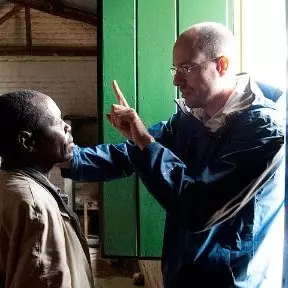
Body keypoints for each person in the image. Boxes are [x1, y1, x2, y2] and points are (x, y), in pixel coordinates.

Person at [61, 22, 285, 287]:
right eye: (175, 69)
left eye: (186, 68)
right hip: (183, 273)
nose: (176, 80)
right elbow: (129, 154)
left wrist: (143, 140)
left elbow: (200, 209)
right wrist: (68, 158)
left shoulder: (263, 130)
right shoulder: (192, 118)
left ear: (221, 65)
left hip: (230, 280)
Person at [0, 90, 94, 288]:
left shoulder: (9, 184)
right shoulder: (35, 206)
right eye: (57, 122)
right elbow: (44, 279)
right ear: (27, 142)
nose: (67, 126)